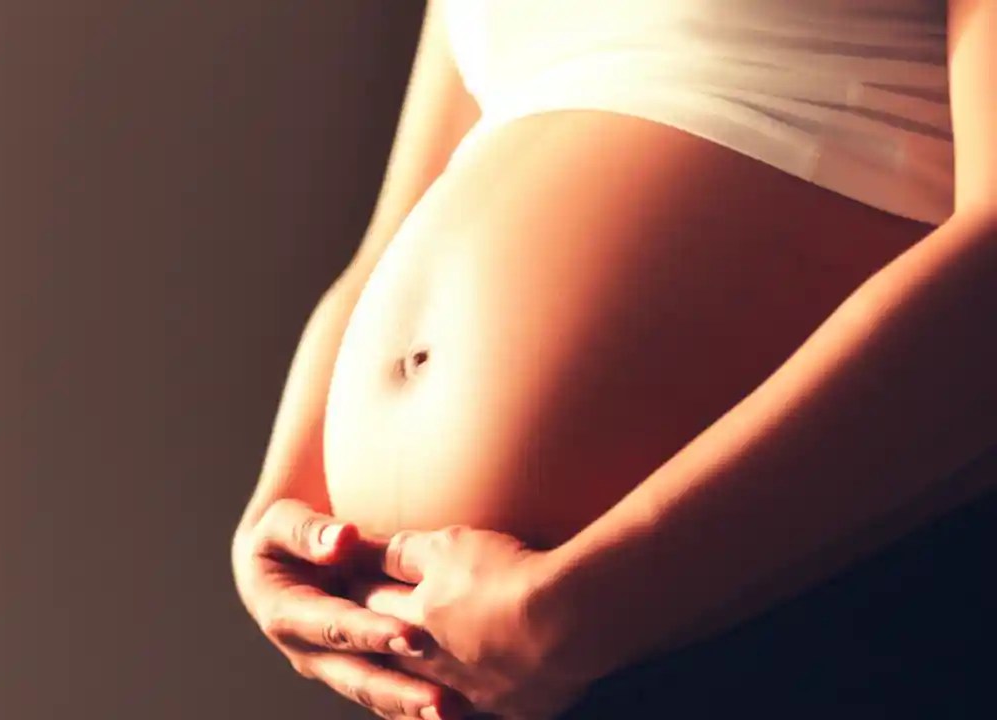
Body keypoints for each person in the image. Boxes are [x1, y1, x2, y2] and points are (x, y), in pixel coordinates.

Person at [232, 1, 997, 718]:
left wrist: (589, 604)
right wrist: (278, 518)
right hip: (484, 651)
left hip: (792, 601)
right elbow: (395, 227)